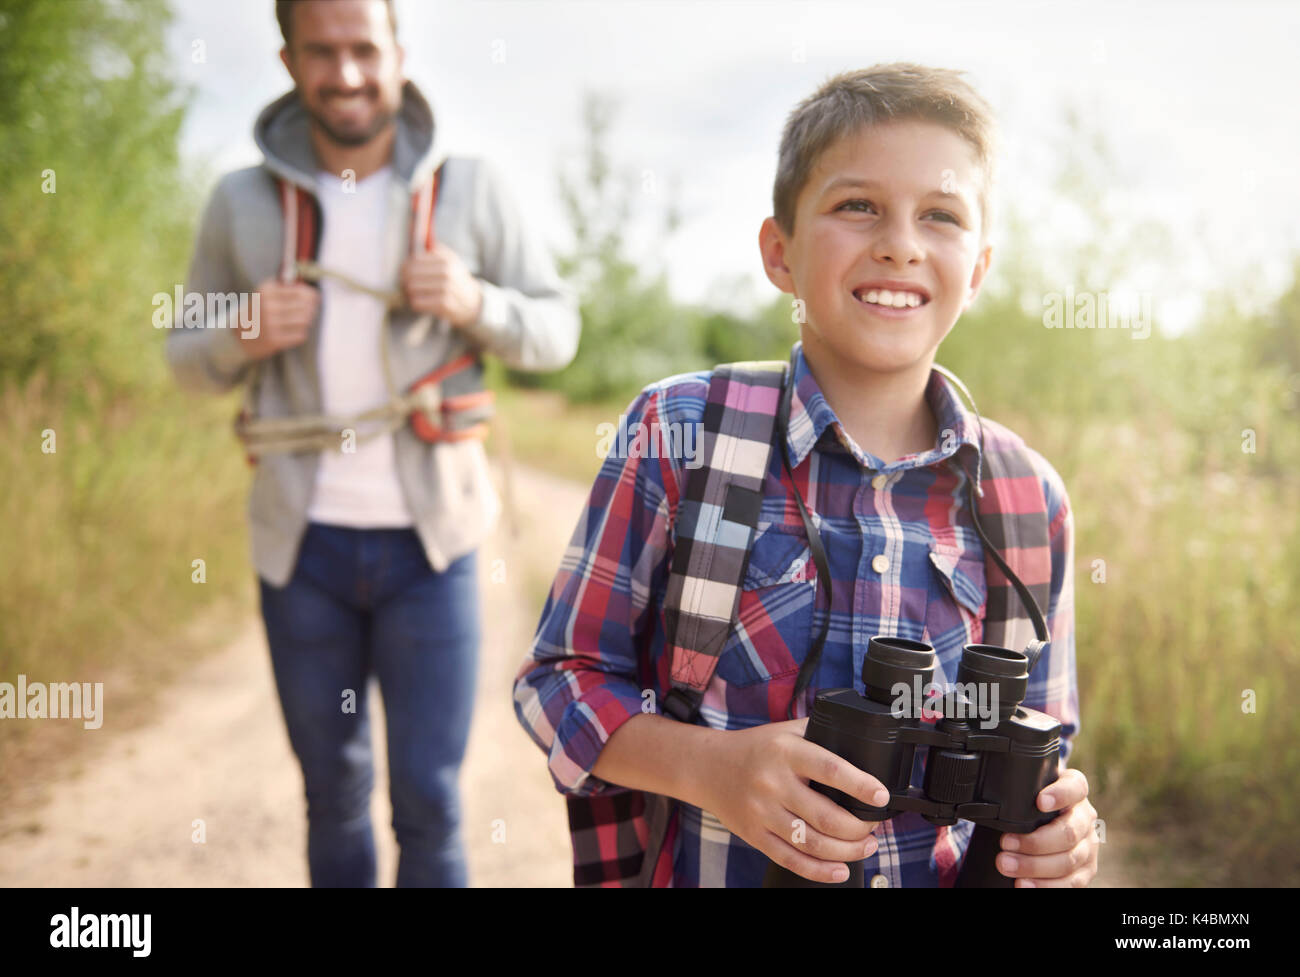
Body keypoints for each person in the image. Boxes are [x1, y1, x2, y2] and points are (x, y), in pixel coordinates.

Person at [514, 63, 1097, 887]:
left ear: (978, 269)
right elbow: (559, 680)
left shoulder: (1026, 497)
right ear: (778, 251)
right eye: (857, 205)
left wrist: (1063, 831)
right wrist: (709, 767)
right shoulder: (679, 433)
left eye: (940, 214)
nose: (899, 241)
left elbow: (1049, 736)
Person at [167, 0, 579, 887]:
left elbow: (557, 332)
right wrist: (239, 333)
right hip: (301, 550)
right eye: (322, 52)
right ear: (288, 59)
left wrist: (477, 303)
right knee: (333, 791)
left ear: (398, 52)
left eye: (363, 49)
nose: (345, 73)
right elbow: (184, 360)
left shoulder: (471, 186)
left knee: (430, 801)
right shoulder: (238, 201)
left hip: (434, 550)